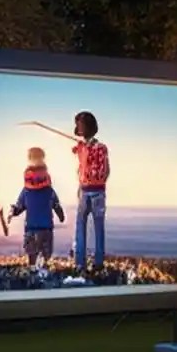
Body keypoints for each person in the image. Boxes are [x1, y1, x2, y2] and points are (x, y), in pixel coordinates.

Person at [8, 147, 65, 271]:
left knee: (32, 253)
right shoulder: (48, 189)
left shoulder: (27, 190)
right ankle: (41, 268)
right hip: (45, 227)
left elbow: (20, 205)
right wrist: (60, 214)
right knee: (44, 253)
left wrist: (14, 211)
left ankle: (34, 269)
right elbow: (55, 203)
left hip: (32, 227)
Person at [72, 111, 110, 272]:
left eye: (80, 125)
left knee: (97, 228)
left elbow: (104, 171)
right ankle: (80, 263)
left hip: (96, 192)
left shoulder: (100, 148)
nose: (78, 128)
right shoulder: (82, 148)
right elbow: (81, 168)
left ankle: (97, 263)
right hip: (85, 190)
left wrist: (84, 150)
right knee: (81, 227)